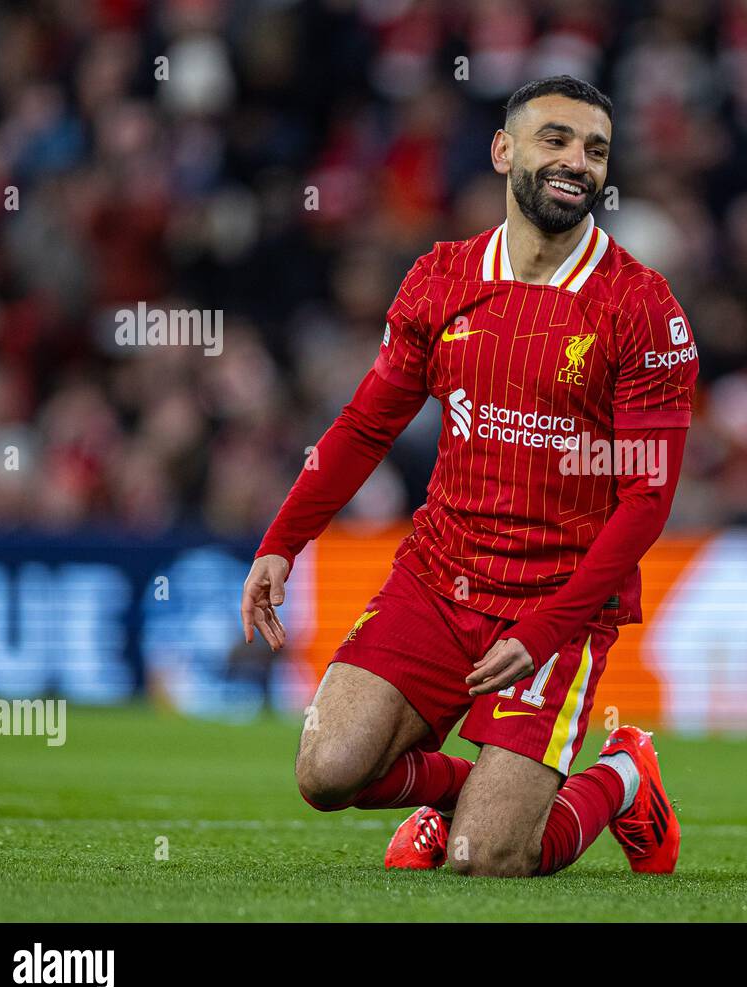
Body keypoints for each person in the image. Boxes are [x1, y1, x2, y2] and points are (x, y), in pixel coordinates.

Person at [239, 76, 698, 877]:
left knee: (487, 859)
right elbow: (365, 425)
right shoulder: (441, 277)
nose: (577, 162)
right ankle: (474, 793)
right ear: (503, 150)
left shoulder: (641, 305)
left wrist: (548, 629)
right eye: (555, 139)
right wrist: (283, 542)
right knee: (327, 771)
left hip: (557, 599)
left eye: (595, 150)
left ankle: (624, 775)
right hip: (438, 579)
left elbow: (648, 498)